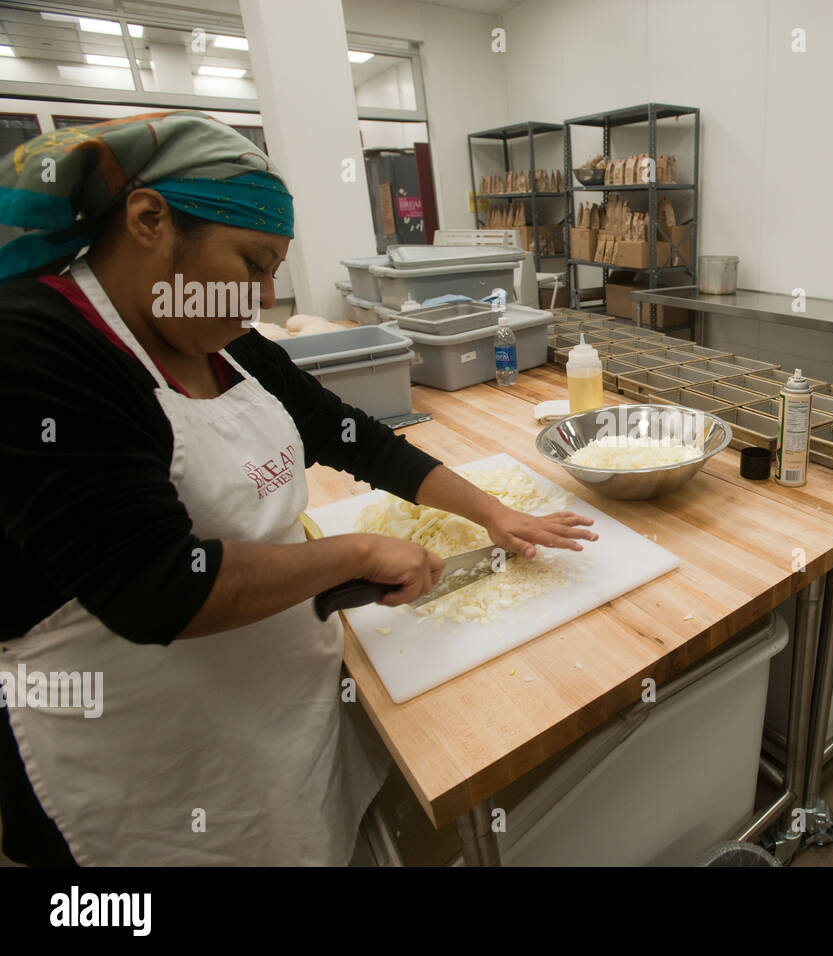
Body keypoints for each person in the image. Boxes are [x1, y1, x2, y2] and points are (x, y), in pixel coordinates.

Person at [0, 111, 597, 866]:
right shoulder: (34, 345)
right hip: (134, 747)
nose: (260, 298)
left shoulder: (222, 338)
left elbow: (351, 436)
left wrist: (491, 510)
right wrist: (356, 553)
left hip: (265, 707)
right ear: (149, 220)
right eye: (252, 264)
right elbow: (152, 585)